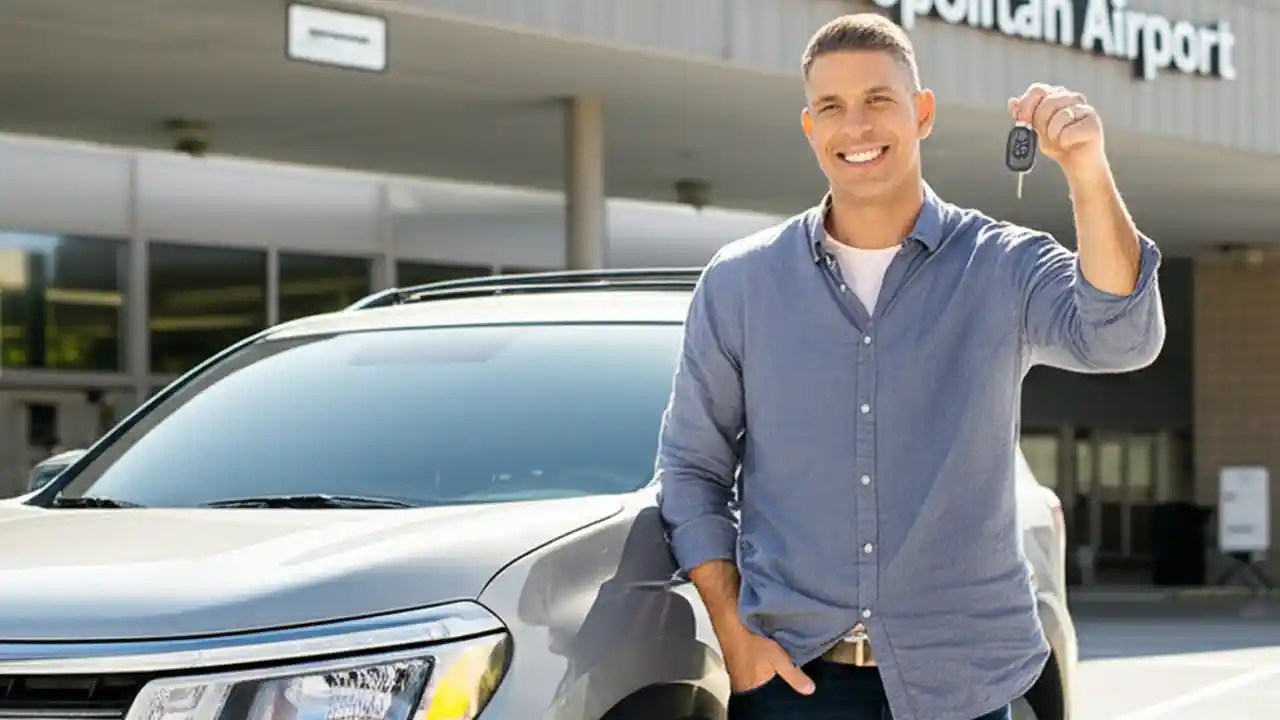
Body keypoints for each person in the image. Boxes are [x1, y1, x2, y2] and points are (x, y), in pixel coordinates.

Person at [654, 12, 1164, 720]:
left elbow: (1122, 336)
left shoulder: (1000, 265)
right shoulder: (741, 283)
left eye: (878, 100)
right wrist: (734, 636)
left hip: (961, 688)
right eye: (832, 106)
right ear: (810, 129)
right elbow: (690, 472)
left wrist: (1086, 170)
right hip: (795, 688)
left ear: (921, 113)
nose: (856, 126)